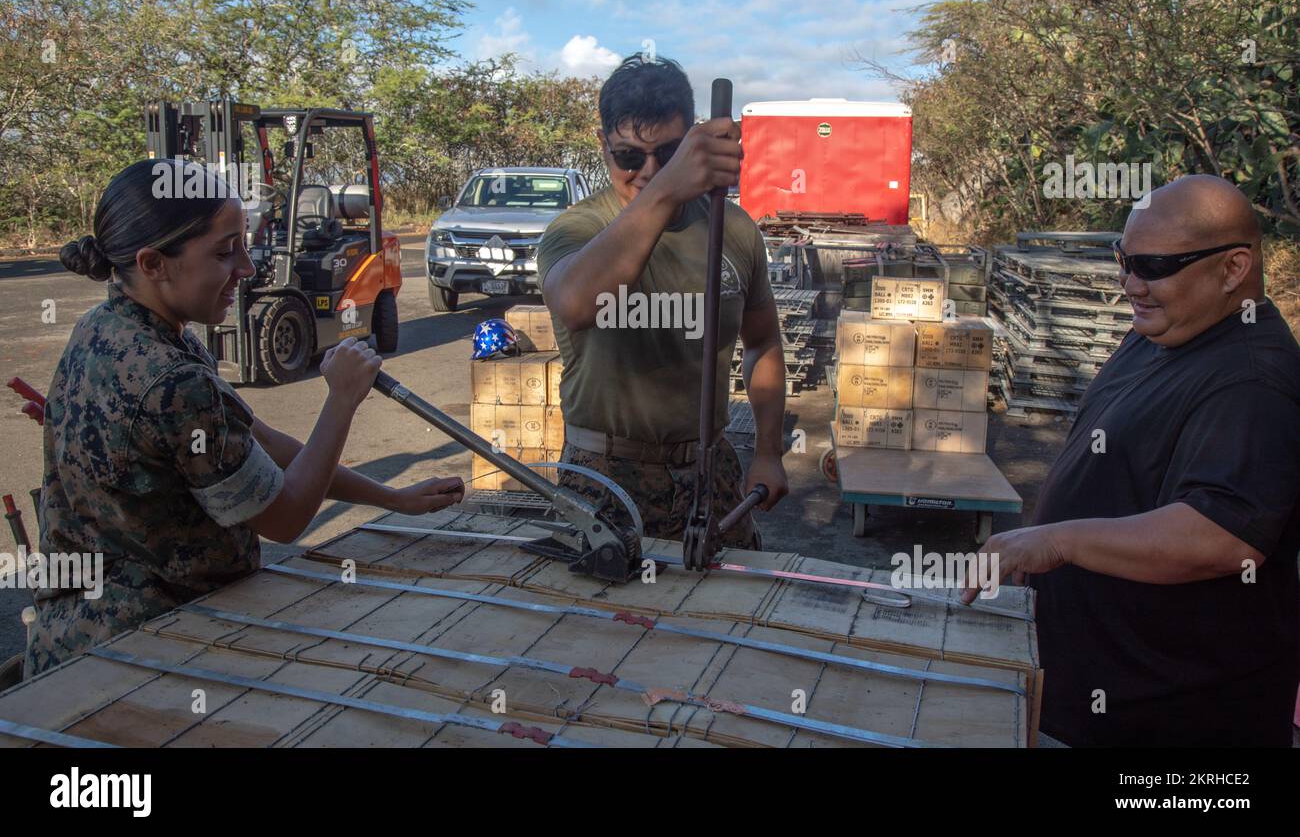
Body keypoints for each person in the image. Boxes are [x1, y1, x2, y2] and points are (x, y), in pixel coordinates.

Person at [24, 159, 464, 677]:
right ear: (152, 263)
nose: (247, 269)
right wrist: (342, 400)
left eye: (243, 244)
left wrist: (391, 497)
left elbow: (266, 444)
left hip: (73, 642)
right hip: (143, 656)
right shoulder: (173, 381)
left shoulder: (110, 328)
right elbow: (286, 516)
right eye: (222, 252)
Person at [961, 174, 1300, 746]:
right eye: (1124, 261)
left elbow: (1223, 536)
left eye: (1153, 268)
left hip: (1166, 724)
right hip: (1089, 697)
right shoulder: (1163, 333)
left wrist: (1059, 541)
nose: (1130, 284)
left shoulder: (1252, 380)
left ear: (1233, 268)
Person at [537, 54, 789, 550]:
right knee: (601, 621)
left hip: (709, 471)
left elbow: (763, 343)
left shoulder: (732, 230)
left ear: (690, 141)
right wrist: (670, 188)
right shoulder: (578, 230)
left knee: (725, 612)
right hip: (604, 476)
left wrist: (769, 451)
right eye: (629, 156)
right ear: (603, 146)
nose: (647, 172)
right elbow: (574, 303)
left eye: (667, 154)